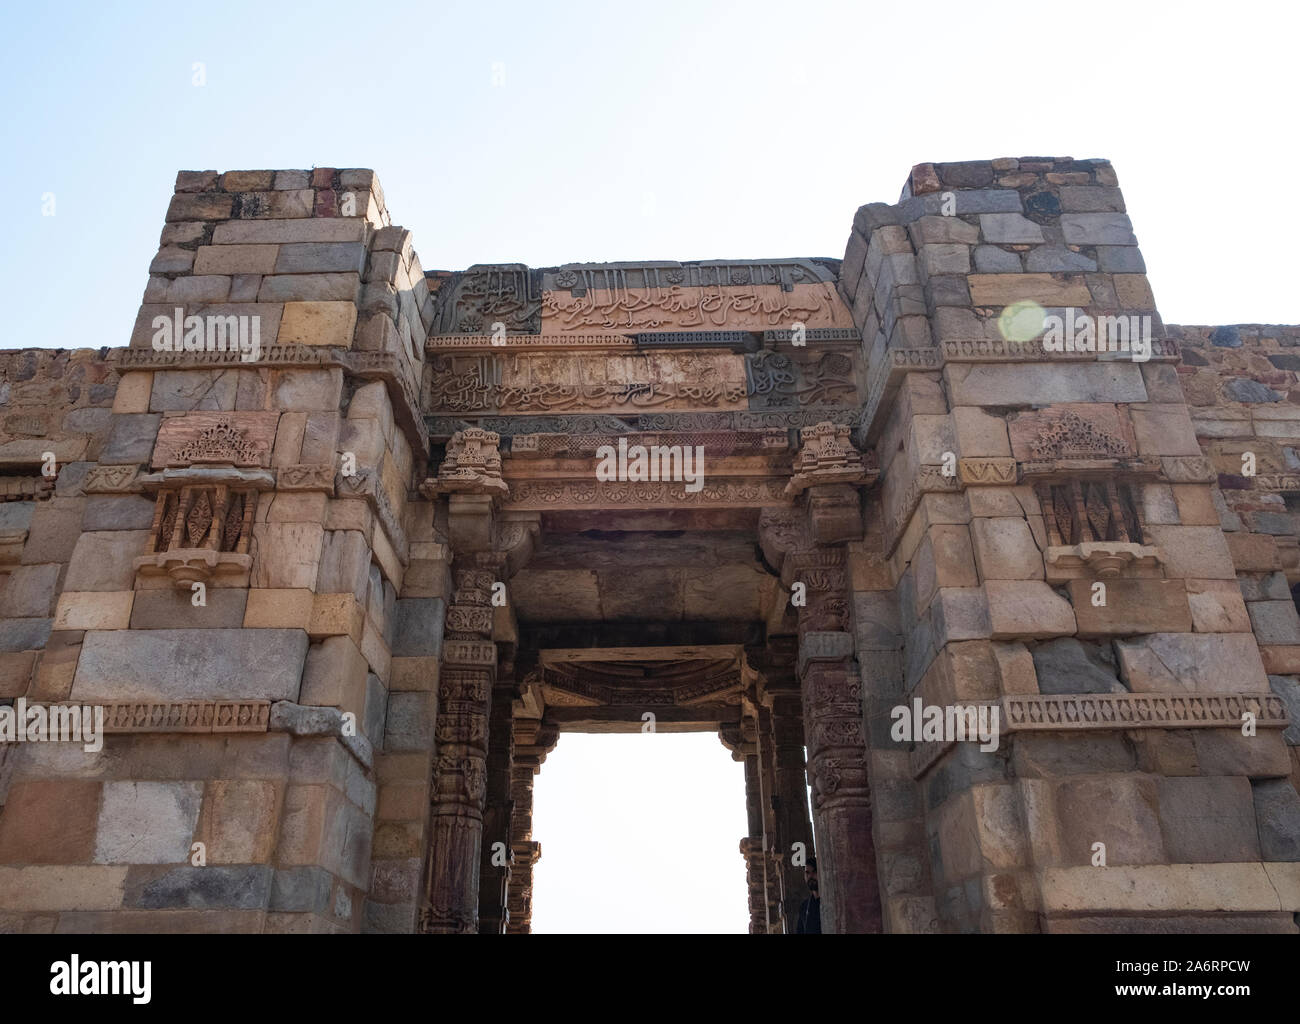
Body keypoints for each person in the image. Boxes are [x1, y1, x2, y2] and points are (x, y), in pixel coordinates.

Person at [795, 857, 821, 933]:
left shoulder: (831, 901)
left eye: (814, 872)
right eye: (807, 873)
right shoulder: (804, 907)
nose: (810, 876)